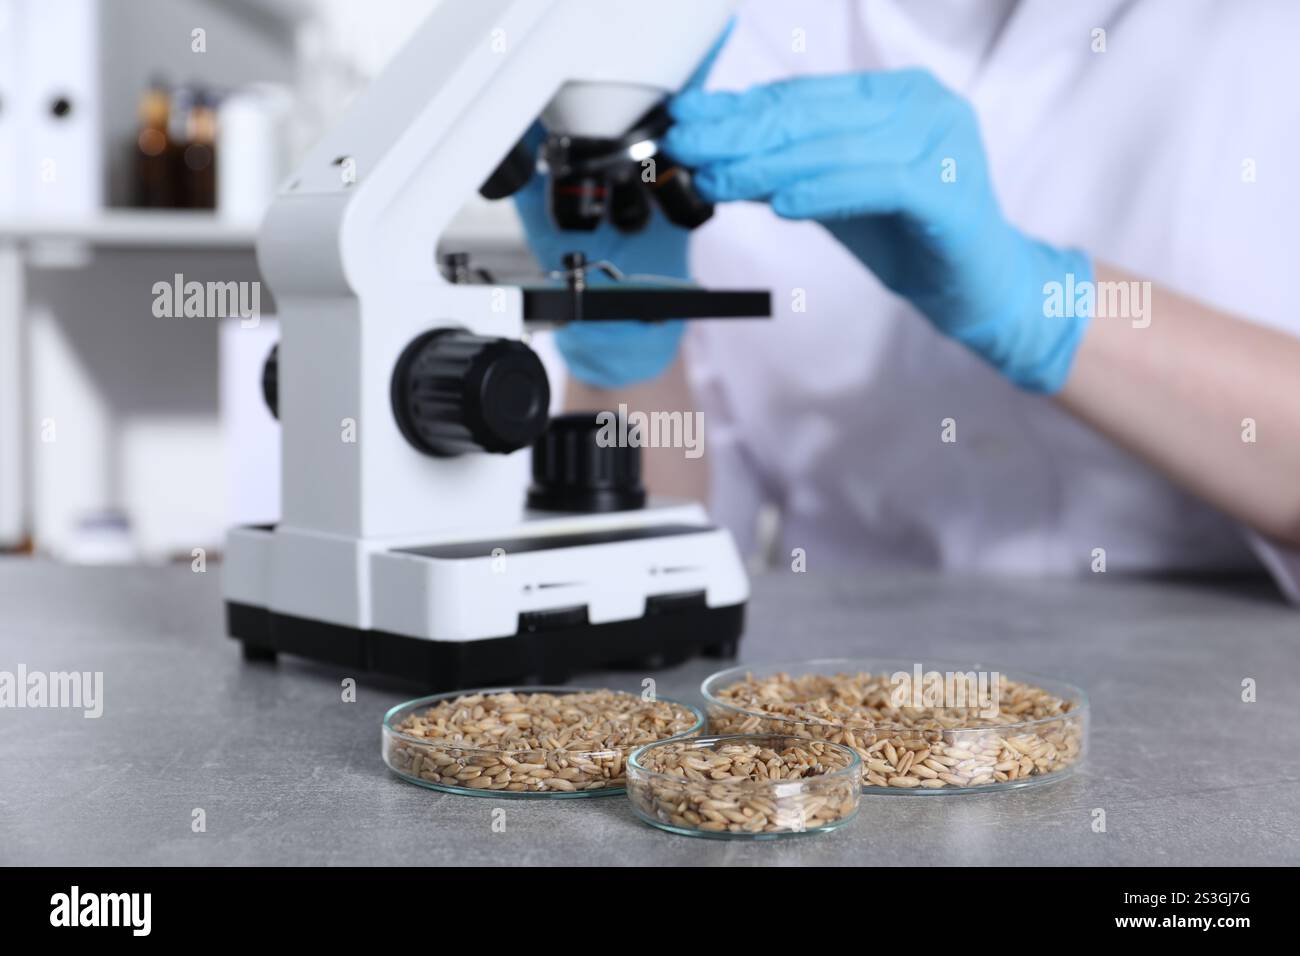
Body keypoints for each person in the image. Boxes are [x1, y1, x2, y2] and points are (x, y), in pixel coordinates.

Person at [516, 0, 1300, 600]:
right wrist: (620, 333)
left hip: (1224, 708)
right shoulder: (714, 33)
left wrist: (1045, 309)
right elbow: (666, 553)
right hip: (836, 705)